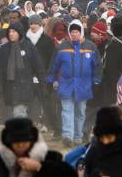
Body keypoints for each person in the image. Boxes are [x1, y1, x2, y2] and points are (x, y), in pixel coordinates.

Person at [45, 19, 99, 147]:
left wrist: (96, 78)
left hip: (83, 85)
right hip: (66, 83)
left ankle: (78, 136)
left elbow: (97, 65)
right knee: (67, 110)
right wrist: (51, 77)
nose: (74, 34)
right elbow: (54, 64)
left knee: (80, 112)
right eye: (72, 32)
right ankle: (67, 136)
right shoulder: (62, 47)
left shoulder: (90, 47)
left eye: (77, 32)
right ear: (69, 33)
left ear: (81, 32)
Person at [0, 117, 74, 177]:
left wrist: (40, 167)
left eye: (25, 141)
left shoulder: (51, 158)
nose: (20, 145)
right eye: (16, 142)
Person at [0, 21, 45, 118]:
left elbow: (38, 66)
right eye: (10, 31)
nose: (11, 34)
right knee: (9, 118)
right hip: (8, 89)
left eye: (14, 32)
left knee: (19, 114)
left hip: (24, 89)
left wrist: (43, 84)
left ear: (20, 33)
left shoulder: (29, 47)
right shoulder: (3, 49)